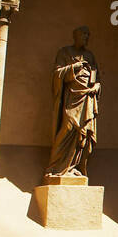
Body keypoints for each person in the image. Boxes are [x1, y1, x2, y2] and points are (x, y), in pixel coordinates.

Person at [46, 26, 100, 178]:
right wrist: (74, 67)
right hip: (71, 98)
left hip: (86, 99)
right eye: (84, 36)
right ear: (75, 36)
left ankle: (73, 167)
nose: (86, 39)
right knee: (67, 128)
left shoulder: (90, 56)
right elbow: (57, 74)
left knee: (82, 134)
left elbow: (97, 77)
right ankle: (55, 168)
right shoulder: (64, 52)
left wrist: (96, 86)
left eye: (88, 36)